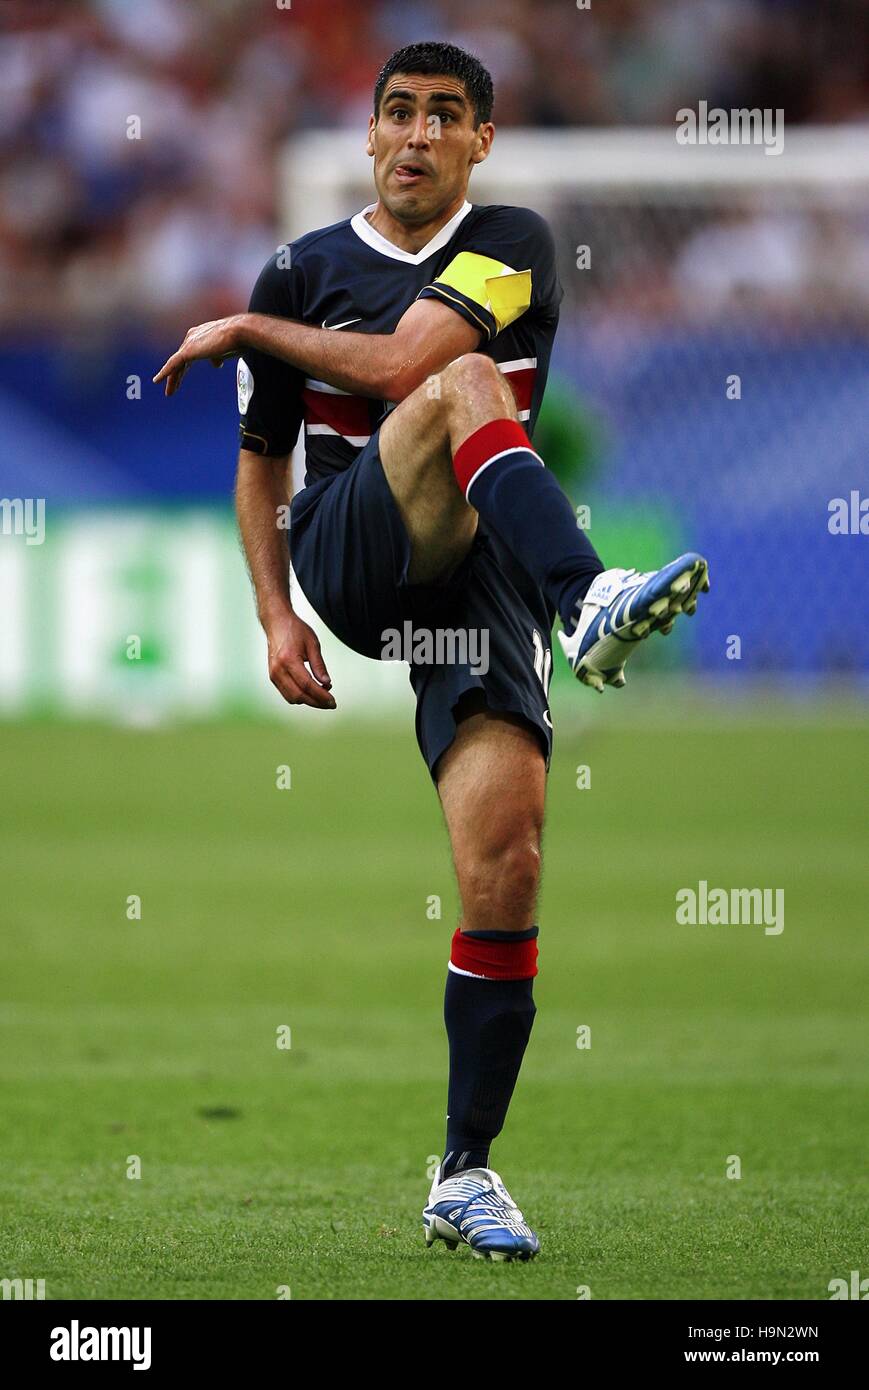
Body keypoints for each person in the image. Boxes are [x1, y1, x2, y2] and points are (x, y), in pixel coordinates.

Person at [155, 41, 708, 1262]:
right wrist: (272, 614)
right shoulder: (303, 266)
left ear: (479, 143)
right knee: (463, 377)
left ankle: (463, 1168)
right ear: (367, 133)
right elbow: (262, 465)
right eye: (395, 112)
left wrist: (246, 327)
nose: (415, 134)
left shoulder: (512, 240)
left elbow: (406, 361)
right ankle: (590, 602)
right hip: (354, 542)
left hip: (479, 580)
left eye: (442, 116)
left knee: (505, 862)